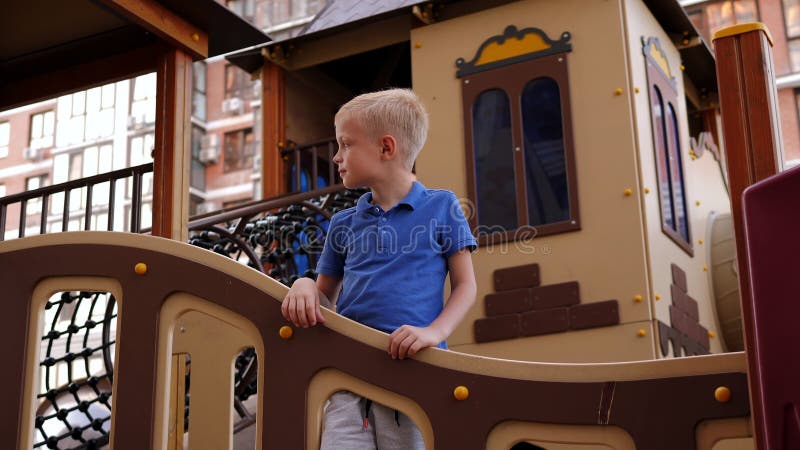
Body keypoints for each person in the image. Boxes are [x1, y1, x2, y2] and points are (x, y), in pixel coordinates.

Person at [281, 88, 477, 450]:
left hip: (413, 370)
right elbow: (325, 295)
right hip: (349, 374)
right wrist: (303, 285)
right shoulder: (342, 223)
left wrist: (434, 333)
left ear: (386, 148)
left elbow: (466, 286)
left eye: (345, 144)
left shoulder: (442, 207)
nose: (337, 157)